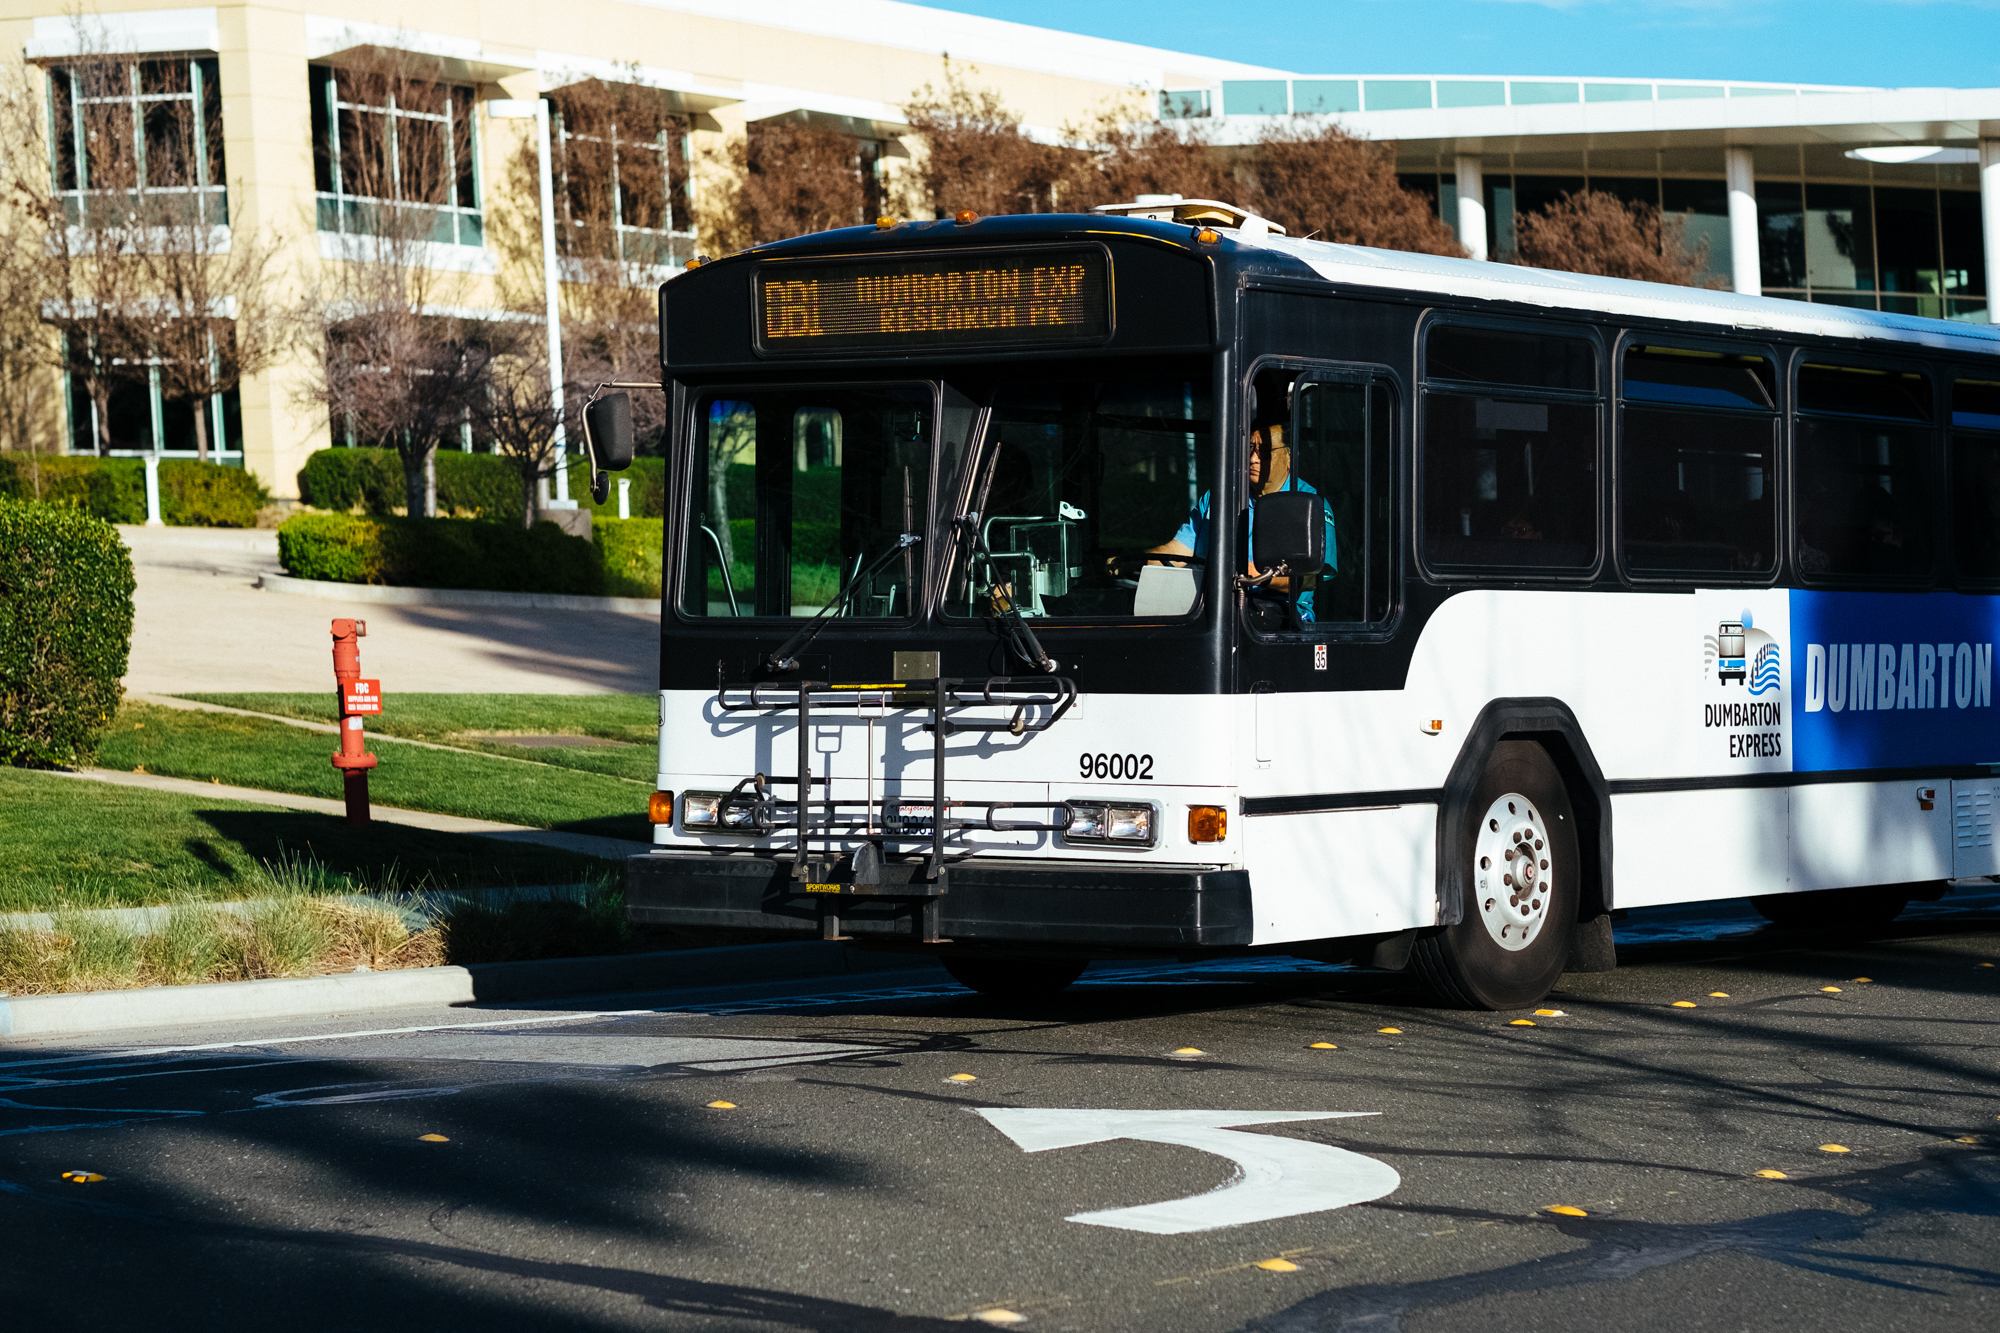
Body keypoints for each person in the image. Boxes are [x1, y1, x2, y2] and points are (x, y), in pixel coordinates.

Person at [1148, 414, 1336, 622]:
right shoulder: (1219, 497)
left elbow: (1310, 580)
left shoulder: (1311, 504)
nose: (1253, 459)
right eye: (1249, 449)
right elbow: (1178, 552)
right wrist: (1137, 562)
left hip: (1282, 616)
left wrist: (1255, 574)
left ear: (1290, 457)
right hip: (1218, 606)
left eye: (1264, 451)